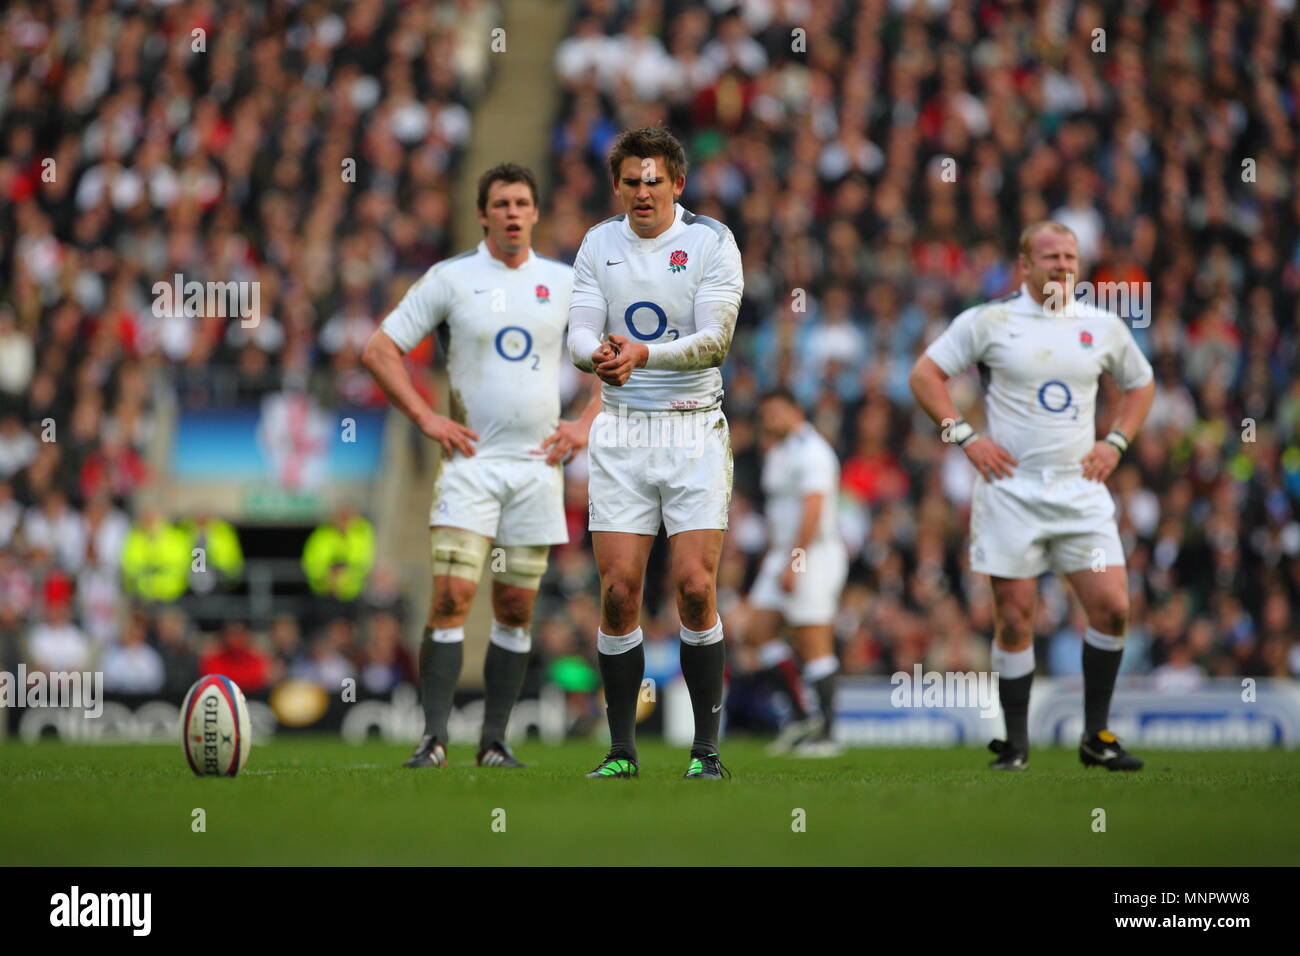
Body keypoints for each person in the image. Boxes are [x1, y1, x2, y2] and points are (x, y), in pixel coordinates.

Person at [364, 163, 600, 769]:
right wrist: (426, 419)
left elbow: (618, 358)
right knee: (451, 596)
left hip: (538, 470)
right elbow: (380, 349)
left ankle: (494, 742)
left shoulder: (566, 281)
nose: (513, 212)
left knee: (516, 608)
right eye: (501, 203)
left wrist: (584, 423)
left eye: (523, 202)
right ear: (483, 213)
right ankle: (434, 739)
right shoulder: (450, 279)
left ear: (536, 213)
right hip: (470, 463)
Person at [908, 221, 1156, 772]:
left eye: (1071, 256)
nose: (1064, 265)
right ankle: (1016, 745)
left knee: (1114, 608)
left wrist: (1115, 442)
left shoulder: (1102, 324)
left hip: (1081, 489)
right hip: (1010, 492)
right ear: (1025, 266)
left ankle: (1097, 736)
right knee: (1016, 619)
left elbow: (1142, 384)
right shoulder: (990, 321)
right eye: (1051, 257)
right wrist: (965, 439)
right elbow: (925, 376)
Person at [566, 126, 743, 780]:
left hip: (692, 427)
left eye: (654, 180)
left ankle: (707, 752)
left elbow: (714, 341)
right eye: (632, 181)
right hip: (622, 430)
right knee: (618, 592)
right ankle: (622, 753)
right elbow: (580, 329)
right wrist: (599, 356)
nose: (643, 191)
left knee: (695, 587)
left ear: (677, 184)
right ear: (617, 185)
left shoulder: (710, 242)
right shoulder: (597, 243)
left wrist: (642, 354)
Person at [745, 388, 847, 757]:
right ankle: (804, 716)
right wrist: (777, 555)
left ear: (795, 410)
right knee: (756, 632)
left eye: (776, 412)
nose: (769, 420)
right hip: (783, 554)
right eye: (765, 413)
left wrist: (795, 562)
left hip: (813, 554)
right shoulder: (779, 451)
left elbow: (813, 510)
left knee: (813, 639)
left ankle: (828, 734)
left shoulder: (813, 451)